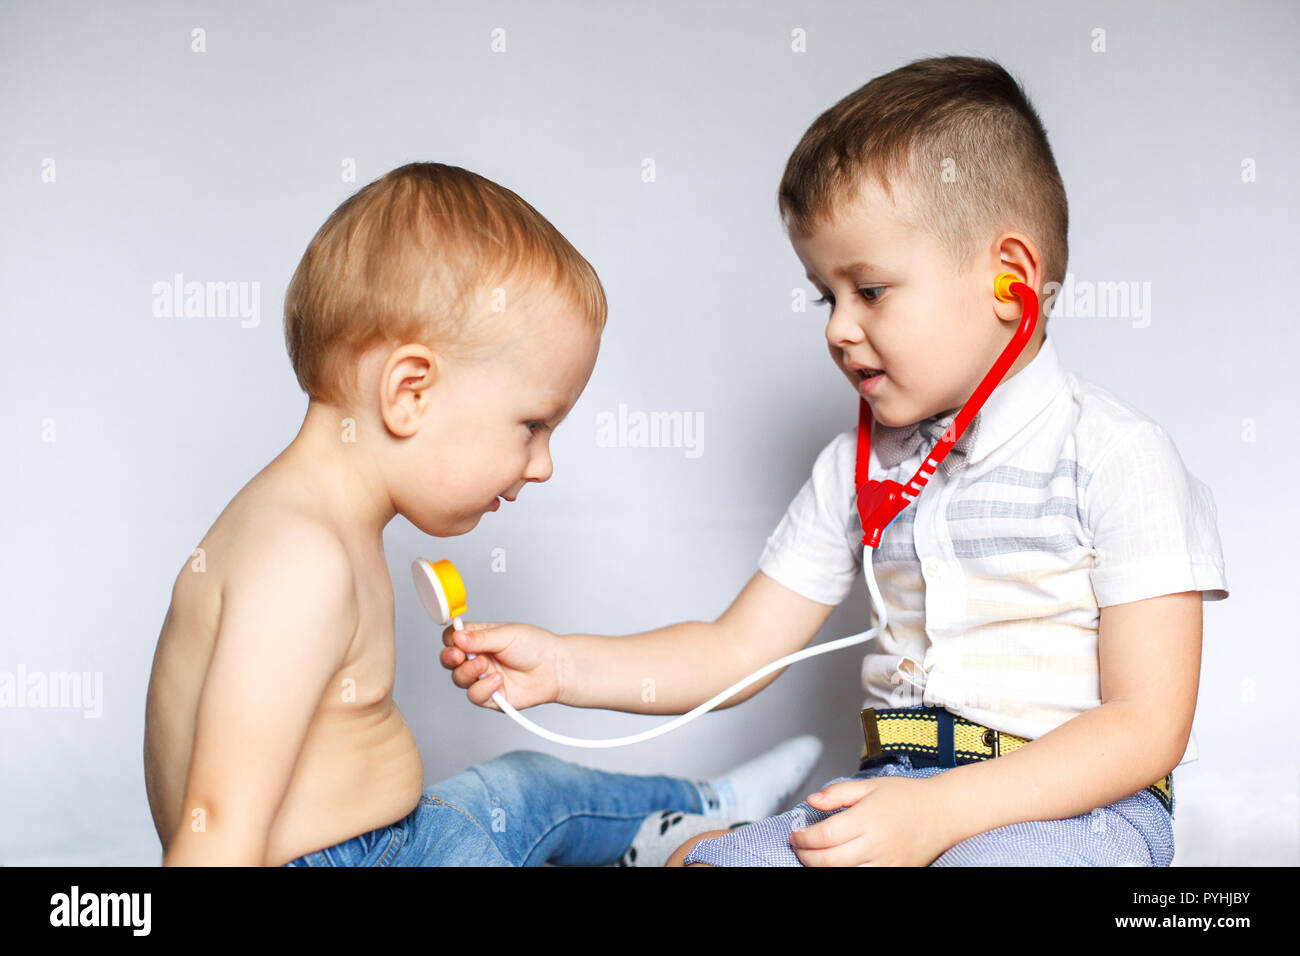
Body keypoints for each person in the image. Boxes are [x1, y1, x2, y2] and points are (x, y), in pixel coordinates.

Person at [440, 56, 1229, 867]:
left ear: (1012, 281)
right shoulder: (852, 470)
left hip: (1075, 811)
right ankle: (687, 840)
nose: (838, 328)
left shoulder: (1118, 457)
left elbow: (1147, 725)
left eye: (871, 290)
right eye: (827, 295)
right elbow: (733, 651)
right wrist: (563, 665)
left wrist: (942, 815)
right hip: (893, 789)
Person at [143, 161, 822, 866]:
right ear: (410, 392)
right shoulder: (300, 558)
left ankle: (709, 811)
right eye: (532, 425)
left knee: (529, 788)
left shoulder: (305, 520)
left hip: (404, 843)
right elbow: (217, 822)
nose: (543, 465)